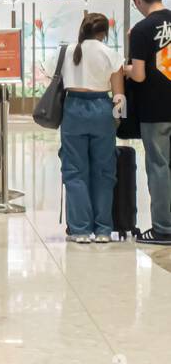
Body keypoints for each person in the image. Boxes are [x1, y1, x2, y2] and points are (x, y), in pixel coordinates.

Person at [59, 13, 124, 243]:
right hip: (101, 110)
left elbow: (51, 75)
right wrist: (117, 122)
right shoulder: (110, 54)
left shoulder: (67, 52)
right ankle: (104, 230)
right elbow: (118, 97)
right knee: (105, 172)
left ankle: (80, 230)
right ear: (104, 32)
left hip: (73, 110)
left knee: (74, 171)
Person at [125, 0, 171, 245]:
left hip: (156, 110)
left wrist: (125, 69)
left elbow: (139, 75)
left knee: (159, 167)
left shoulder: (142, 30)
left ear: (138, 0)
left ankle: (164, 228)